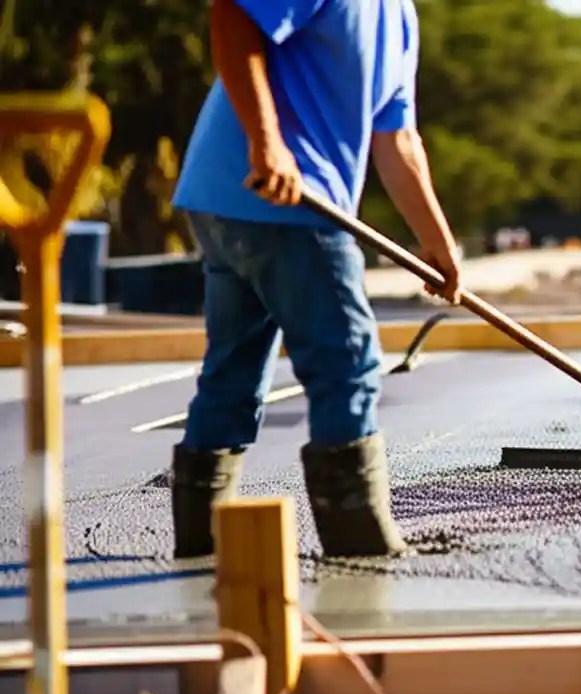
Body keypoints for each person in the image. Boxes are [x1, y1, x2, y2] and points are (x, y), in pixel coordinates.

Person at [167, 0, 462, 558]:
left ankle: (204, 540)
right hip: (281, 195)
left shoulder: (398, 18)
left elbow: (396, 141)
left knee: (233, 370)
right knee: (347, 360)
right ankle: (358, 542)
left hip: (225, 198)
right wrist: (267, 141)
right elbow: (232, 15)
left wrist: (436, 240)